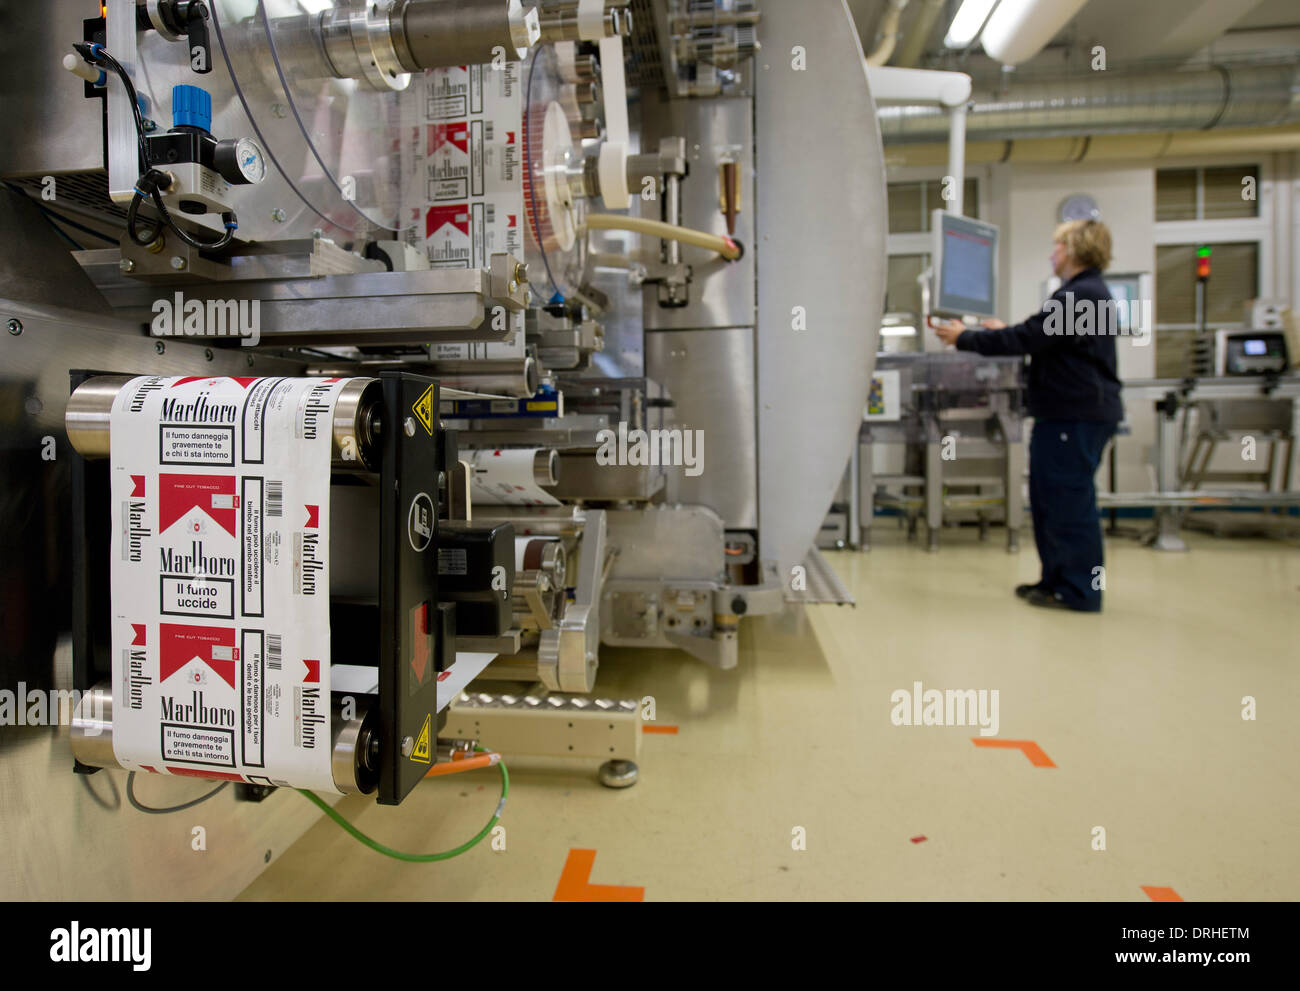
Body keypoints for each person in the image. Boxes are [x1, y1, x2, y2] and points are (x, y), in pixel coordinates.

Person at [933, 219, 1123, 612]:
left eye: (1058, 246)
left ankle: (1080, 591)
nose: (1053, 254)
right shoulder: (1085, 293)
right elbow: (1044, 338)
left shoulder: (1082, 295)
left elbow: (1026, 338)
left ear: (1075, 248)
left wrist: (964, 337)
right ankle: (1056, 581)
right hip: (1070, 414)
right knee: (1052, 501)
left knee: (1069, 505)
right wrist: (1003, 332)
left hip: (1074, 416)